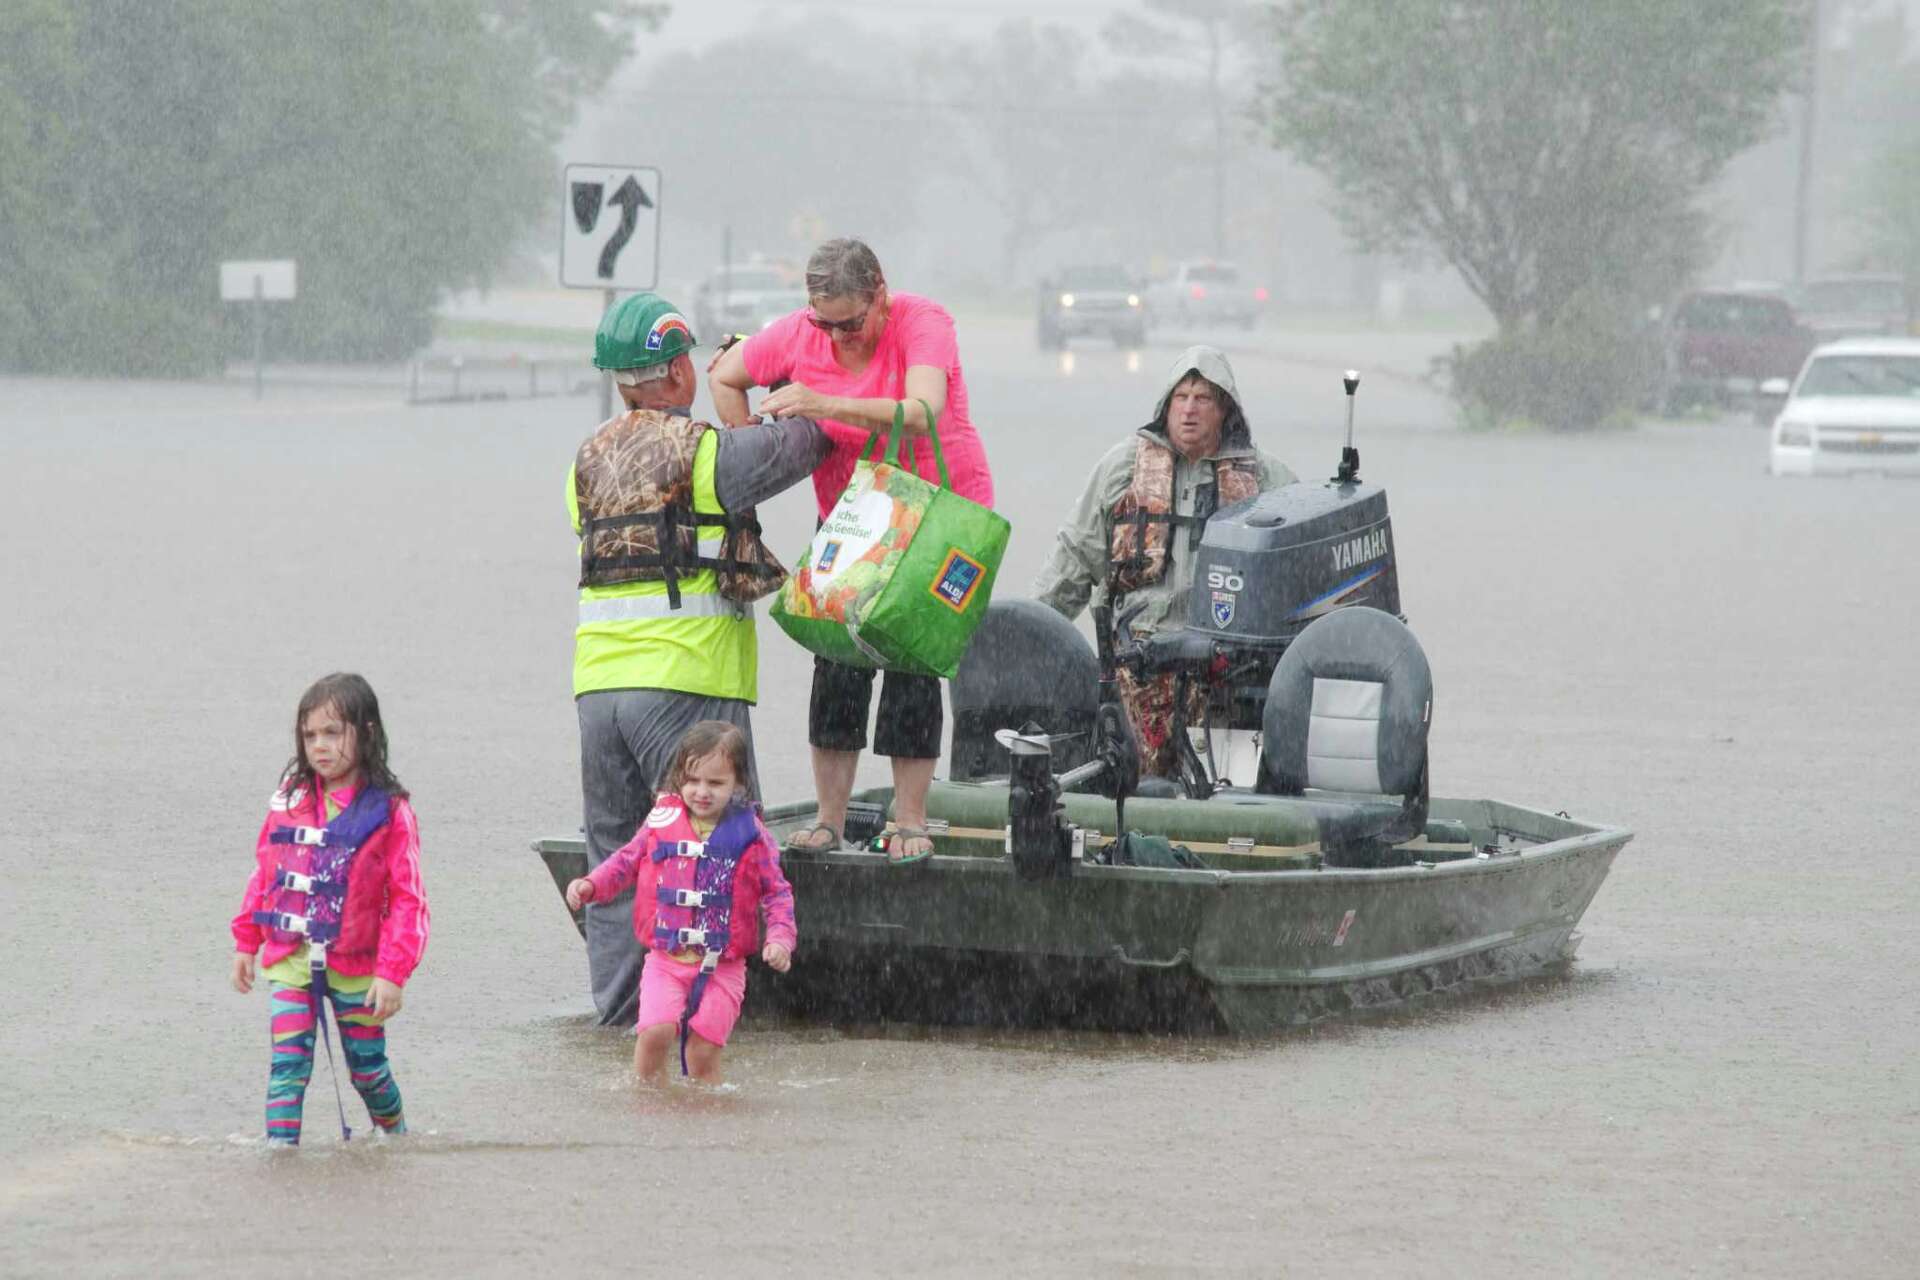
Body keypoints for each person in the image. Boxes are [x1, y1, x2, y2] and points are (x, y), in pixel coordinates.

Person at [570, 290, 833, 1027]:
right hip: (686, 685)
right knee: (712, 855)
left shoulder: (584, 461)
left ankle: (626, 1022)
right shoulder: (707, 454)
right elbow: (810, 439)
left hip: (598, 689)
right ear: (680, 369)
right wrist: (749, 372)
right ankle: (705, 1030)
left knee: (623, 856)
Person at [708, 237, 994, 865]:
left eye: (851, 323)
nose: (837, 338)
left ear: (880, 295)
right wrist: (754, 444)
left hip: (938, 513)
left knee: (912, 662)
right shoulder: (797, 334)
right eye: (824, 324)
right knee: (837, 661)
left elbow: (921, 411)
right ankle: (829, 819)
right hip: (854, 516)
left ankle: (910, 820)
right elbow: (725, 375)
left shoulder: (923, 321)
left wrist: (817, 402)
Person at [1032, 346, 1298, 778]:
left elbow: (1299, 567)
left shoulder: (1268, 481)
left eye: (1203, 399)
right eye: (1181, 397)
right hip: (1137, 668)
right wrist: (1034, 633)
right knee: (1136, 791)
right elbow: (1075, 556)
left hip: (1226, 674)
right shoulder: (1121, 469)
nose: (1189, 411)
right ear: (1166, 405)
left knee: (1228, 790)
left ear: (1224, 409)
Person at [230, 673, 428, 1146]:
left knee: (368, 1073)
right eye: (310, 735)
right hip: (289, 958)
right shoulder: (291, 801)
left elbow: (408, 899)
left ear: (368, 732)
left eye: (333, 733)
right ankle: (280, 1157)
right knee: (288, 1065)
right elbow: (265, 871)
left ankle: (396, 1139)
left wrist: (393, 973)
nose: (320, 746)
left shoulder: (391, 812)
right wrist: (246, 941)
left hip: (359, 966)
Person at [565, 721, 796, 1085]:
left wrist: (780, 938)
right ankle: (646, 1105)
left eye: (715, 783)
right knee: (654, 1033)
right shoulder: (661, 822)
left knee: (703, 1051)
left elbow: (777, 894)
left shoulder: (754, 836)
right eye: (692, 780)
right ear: (678, 779)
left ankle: (705, 1121)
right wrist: (591, 884)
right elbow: (626, 861)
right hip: (666, 962)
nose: (701, 791)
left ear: (738, 784)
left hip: (723, 966)